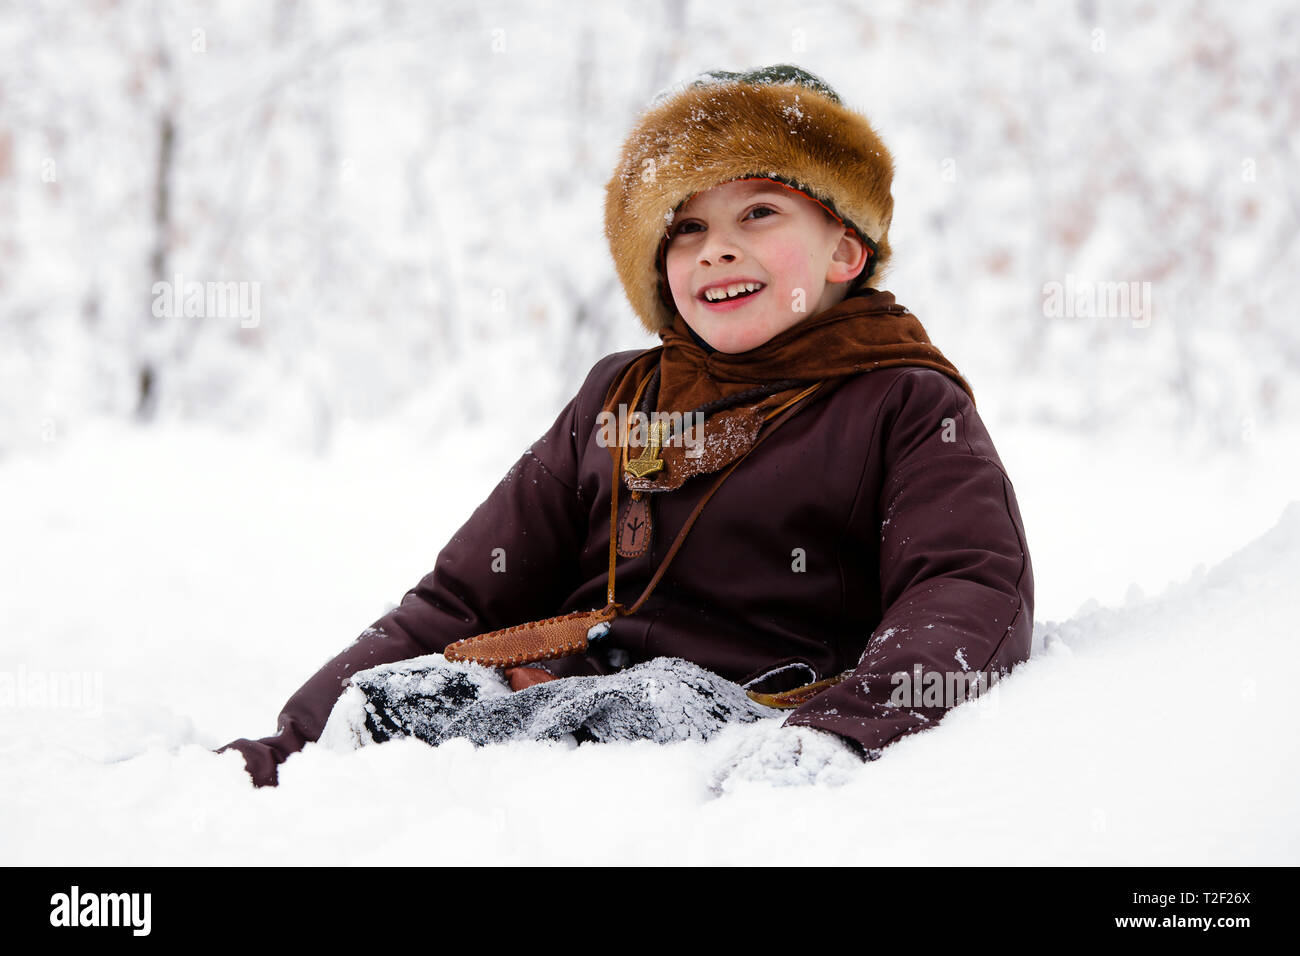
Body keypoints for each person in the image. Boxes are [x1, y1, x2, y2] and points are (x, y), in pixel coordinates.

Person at [218, 64, 1034, 790]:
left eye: (758, 212)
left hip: (744, 717)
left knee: (640, 704)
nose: (718, 249)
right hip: (568, 701)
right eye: (688, 227)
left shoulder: (902, 401)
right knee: (395, 702)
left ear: (845, 253)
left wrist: (847, 730)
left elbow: (965, 586)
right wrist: (294, 744)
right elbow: (463, 595)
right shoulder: (619, 397)